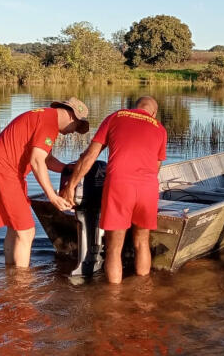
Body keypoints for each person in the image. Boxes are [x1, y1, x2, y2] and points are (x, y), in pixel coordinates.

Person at [61, 96, 167, 284]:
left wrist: (71, 186)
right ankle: (143, 290)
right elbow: (156, 167)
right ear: (154, 112)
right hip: (148, 189)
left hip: (120, 185)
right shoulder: (160, 129)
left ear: (135, 107)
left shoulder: (116, 116)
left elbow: (90, 156)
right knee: (142, 242)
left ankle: (114, 298)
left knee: (113, 248)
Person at [0, 98, 90, 268]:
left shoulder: (44, 117)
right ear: (72, 117)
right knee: (27, 232)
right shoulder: (49, 123)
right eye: (76, 127)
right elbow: (37, 161)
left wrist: (68, 168)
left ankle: (11, 276)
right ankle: (22, 286)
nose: (73, 132)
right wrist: (52, 196)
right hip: (4, 173)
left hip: (2, 172)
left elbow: (47, 160)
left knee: (15, 229)